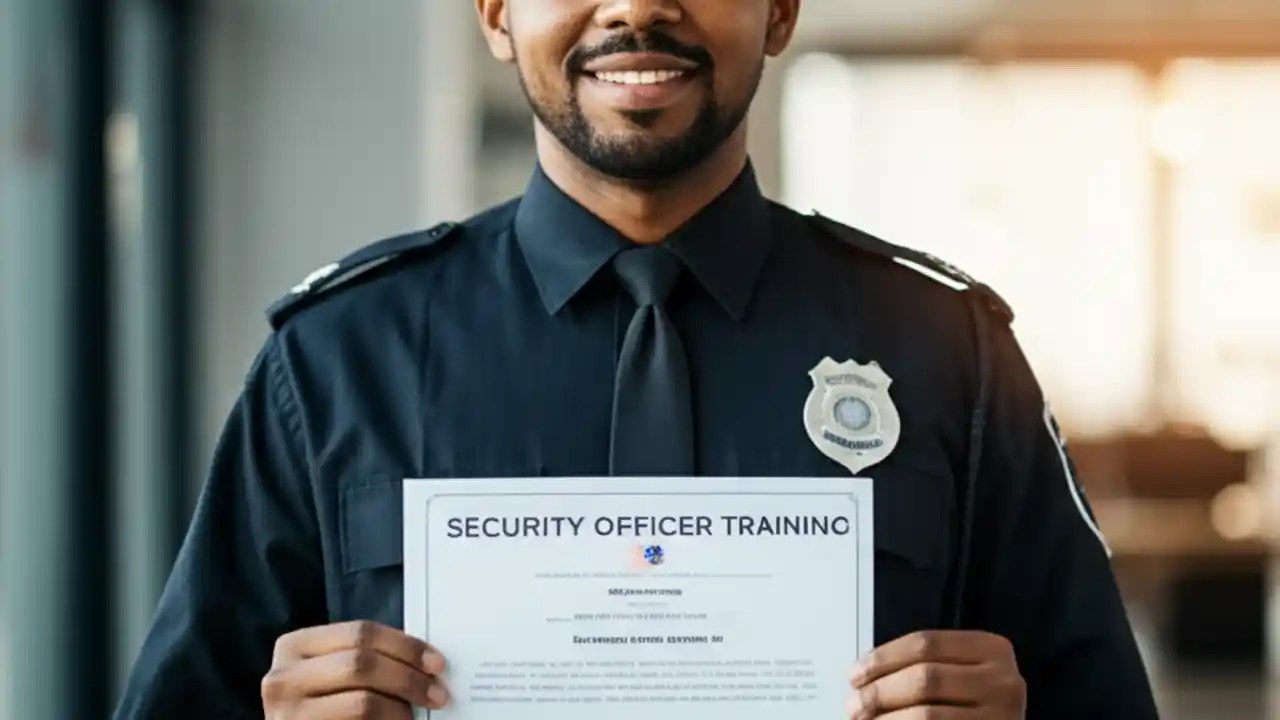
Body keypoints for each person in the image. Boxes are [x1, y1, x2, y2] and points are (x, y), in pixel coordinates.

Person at [115, 1, 1159, 718]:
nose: (636, 5)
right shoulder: (336, 359)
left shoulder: (948, 350)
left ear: (781, 9)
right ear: (493, 11)